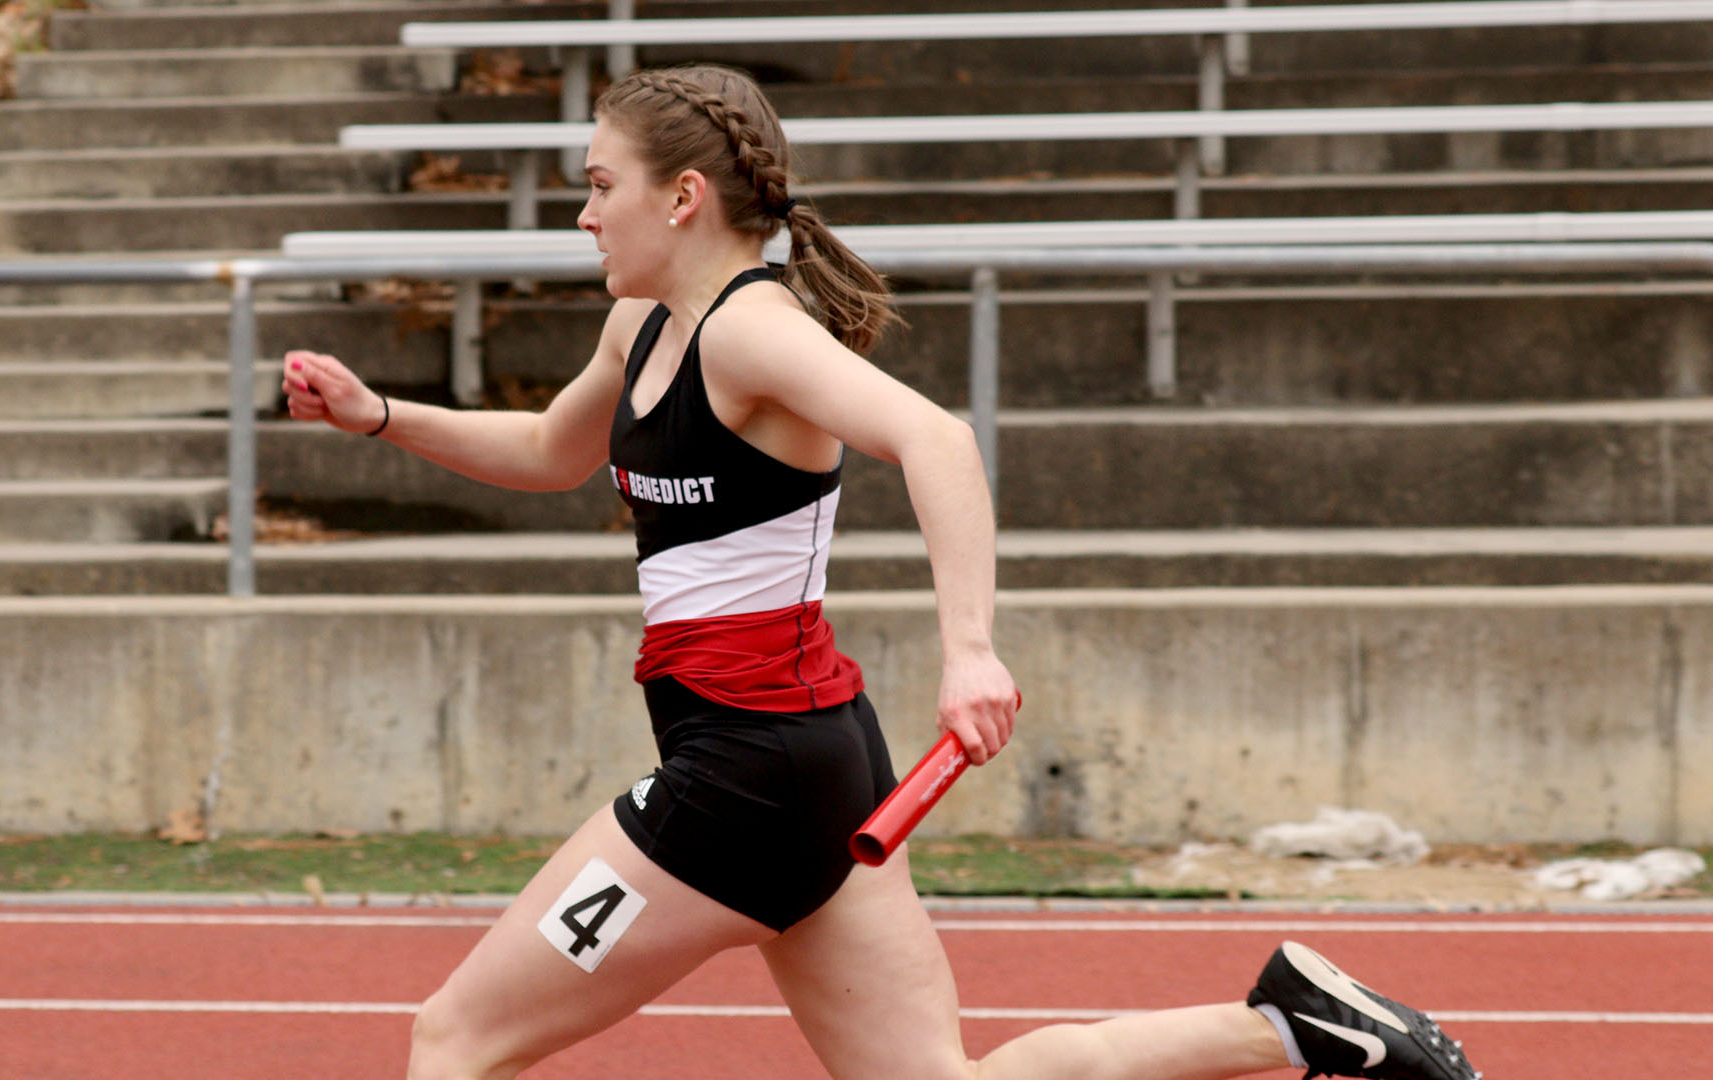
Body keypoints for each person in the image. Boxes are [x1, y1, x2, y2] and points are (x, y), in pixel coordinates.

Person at [280, 63, 1481, 1080]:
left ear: (684, 197)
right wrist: (380, 412)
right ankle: (1287, 1022)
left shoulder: (753, 329)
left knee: (451, 1043)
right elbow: (550, 451)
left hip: (742, 774)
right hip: (812, 766)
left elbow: (936, 439)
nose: (585, 217)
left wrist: (970, 651)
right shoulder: (639, 330)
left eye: (601, 188)